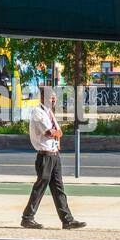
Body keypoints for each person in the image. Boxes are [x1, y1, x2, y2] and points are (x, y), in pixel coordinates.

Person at [21, 86, 85, 230]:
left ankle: (67, 220)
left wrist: (57, 133)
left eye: (55, 97)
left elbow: (59, 132)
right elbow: (49, 132)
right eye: (51, 97)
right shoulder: (38, 112)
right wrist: (56, 133)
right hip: (45, 156)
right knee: (40, 187)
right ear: (43, 98)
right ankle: (27, 218)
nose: (54, 99)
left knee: (58, 189)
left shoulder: (49, 112)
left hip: (54, 155)